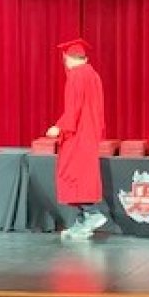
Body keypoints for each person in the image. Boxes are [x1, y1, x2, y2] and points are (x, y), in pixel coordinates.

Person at [46, 38, 107, 240]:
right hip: (90, 133)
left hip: (78, 134)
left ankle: (91, 214)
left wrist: (59, 126)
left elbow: (74, 109)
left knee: (72, 172)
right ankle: (81, 221)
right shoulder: (93, 75)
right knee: (81, 174)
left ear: (67, 58)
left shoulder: (76, 76)